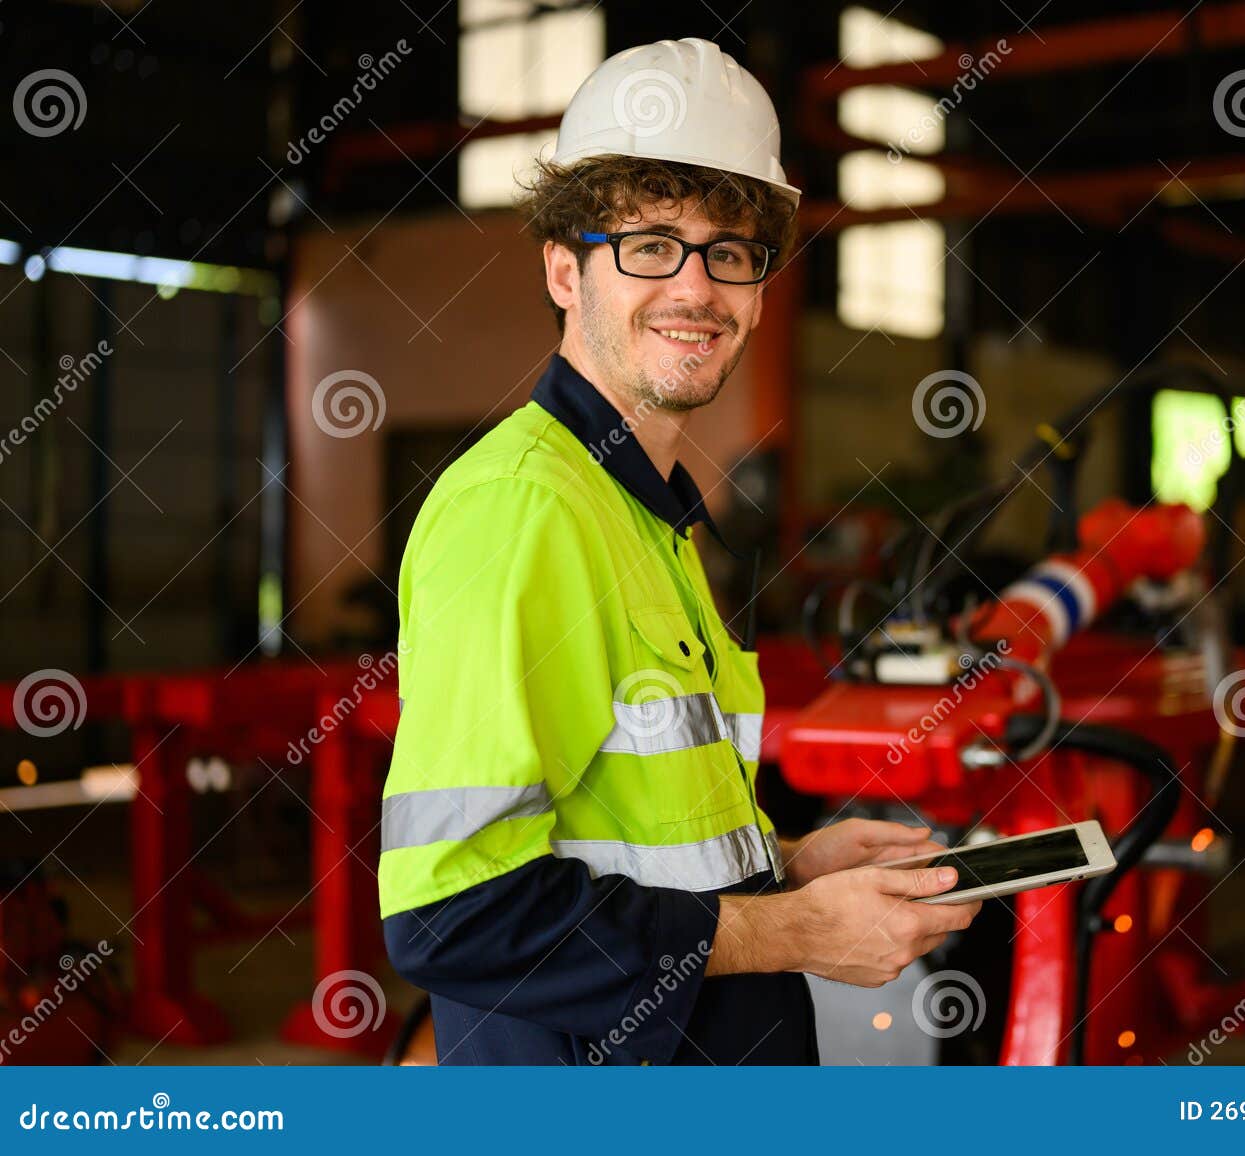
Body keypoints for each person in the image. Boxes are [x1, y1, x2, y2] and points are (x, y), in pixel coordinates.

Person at [378, 37, 980, 1066]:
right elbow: (456, 913)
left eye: (730, 251)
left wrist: (785, 865)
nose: (695, 288)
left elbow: (631, 829)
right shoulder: (526, 506)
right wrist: (797, 931)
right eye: (650, 244)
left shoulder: (644, 513)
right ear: (565, 271)